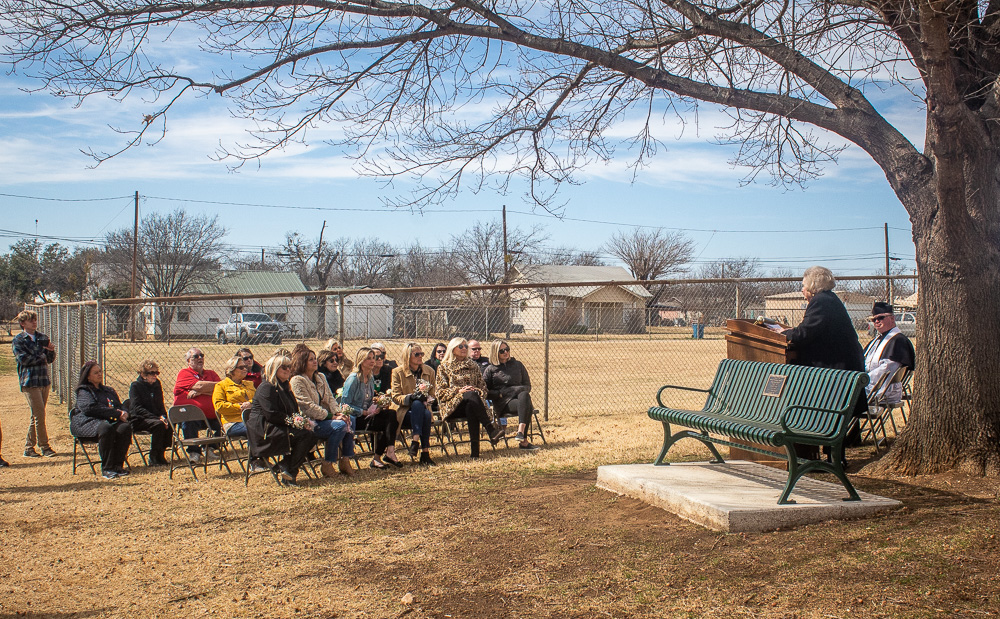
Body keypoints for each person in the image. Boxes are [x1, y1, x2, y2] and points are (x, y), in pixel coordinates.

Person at [782, 266, 866, 459]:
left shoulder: (821, 302)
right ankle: (830, 456)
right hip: (839, 366)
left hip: (838, 370)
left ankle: (834, 459)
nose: (802, 290)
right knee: (830, 413)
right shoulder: (830, 300)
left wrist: (784, 333)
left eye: (803, 286)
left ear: (812, 285)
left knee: (831, 413)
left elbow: (805, 333)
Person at [246, 355, 318, 487]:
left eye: (289, 367)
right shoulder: (266, 387)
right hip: (265, 430)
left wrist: (302, 422)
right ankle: (290, 472)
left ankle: (286, 467)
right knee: (304, 436)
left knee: (312, 433)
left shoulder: (286, 387)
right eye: (283, 367)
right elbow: (271, 414)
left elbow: (294, 411)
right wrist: (294, 422)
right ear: (273, 369)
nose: (288, 370)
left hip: (279, 426)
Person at [289, 346, 355, 477]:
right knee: (339, 425)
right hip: (310, 421)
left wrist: (338, 413)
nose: (315, 362)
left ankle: (345, 459)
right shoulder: (297, 380)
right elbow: (307, 406)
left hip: (326, 418)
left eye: (315, 359)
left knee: (350, 419)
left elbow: (330, 398)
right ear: (302, 362)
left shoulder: (320, 377)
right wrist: (331, 417)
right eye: (310, 360)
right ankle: (328, 463)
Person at [435, 337, 505, 459]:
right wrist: (459, 391)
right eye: (460, 346)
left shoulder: (473, 366)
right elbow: (440, 393)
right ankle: (491, 429)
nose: (464, 349)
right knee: (471, 397)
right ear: (453, 349)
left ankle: (475, 453)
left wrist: (475, 390)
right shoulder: (444, 367)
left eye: (465, 346)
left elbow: (483, 389)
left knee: (471, 403)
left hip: (473, 404)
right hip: (452, 406)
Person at [342, 347, 403, 469]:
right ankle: (381, 456)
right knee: (389, 422)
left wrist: (377, 405)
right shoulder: (353, 379)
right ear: (361, 361)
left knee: (391, 415)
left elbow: (368, 400)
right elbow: (344, 405)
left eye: (373, 358)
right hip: (356, 417)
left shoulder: (370, 377)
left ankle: (386, 453)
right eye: (368, 358)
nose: (372, 361)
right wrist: (363, 411)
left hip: (368, 414)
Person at [71, 361, 133, 479]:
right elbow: (90, 408)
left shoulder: (108, 390)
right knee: (106, 428)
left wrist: (124, 412)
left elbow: (119, 405)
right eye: (95, 373)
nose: (99, 374)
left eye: (100, 371)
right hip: (87, 422)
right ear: (88, 376)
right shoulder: (83, 391)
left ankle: (118, 466)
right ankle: (107, 468)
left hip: (107, 421)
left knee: (124, 427)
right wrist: (116, 413)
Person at [12, 310, 57, 459]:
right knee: (39, 415)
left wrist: (50, 351)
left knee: (36, 415)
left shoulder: (42, 337)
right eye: (30, 320)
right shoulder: (19, 340)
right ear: (22, 323)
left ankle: (29, 447)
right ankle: (45, 446)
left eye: (35, 320)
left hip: (43, 379)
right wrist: (43, 354)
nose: (34, 322)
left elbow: (49, 359)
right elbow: (24, 360)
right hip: (30, 381)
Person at [483, 340, 540, 451]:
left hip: (520, 399)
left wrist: (514, 390)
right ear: (495, 353)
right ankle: (523, 441)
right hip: (503, 403)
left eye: (507, 349)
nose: (506, 352)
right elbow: (485, 391)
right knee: (526, 403)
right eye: (502, 351)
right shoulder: (490, 369)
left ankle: (520, 432)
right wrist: (499, 394)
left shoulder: (518, 365)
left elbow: (528, 386)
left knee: (525, 396)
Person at [390, 342, 437, 465]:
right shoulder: (397, 372)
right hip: (404, 412)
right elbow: (395, 397)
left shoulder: (430, 371)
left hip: (423, 409)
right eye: (417, 354)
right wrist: (410, 398)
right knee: (417, 404)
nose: (420, 356)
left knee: (424, 411)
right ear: (407, 356)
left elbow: (433, 394)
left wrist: (426, 399)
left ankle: (416, 441)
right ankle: (424, 453)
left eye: (422, 353)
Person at [172, 347, 222, 464]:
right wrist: (205, 389)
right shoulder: (184, 373)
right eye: (196, 356)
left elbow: (221, 387)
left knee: (221, 422)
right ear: (188, 361)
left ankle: (210, 448)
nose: (200, 358)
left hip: (211, 415)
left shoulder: (211, 373)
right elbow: (200, 385)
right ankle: (194, 452)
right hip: (191, 416)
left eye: (201, 355)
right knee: (189, 421)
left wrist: (200, 391)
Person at [864, 302, 916, 404]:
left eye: (881, 318)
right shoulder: (876, 340)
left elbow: (887, 370)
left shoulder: (898, 341)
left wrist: (862, 381)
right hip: (870, 386)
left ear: (892, 319)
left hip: (882, 390)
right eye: (874, 319)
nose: (877, 321)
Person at [128, 359, 172, 466]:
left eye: (156, 373)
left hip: (155, 418)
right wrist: (156, 418)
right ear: (143, 374)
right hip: (139, 419)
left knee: (169, 423)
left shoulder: (157, 385)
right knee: (159, 425)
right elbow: (137, 408)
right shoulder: (135, 386)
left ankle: (161, 453)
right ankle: (153, 456)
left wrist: (163, 416)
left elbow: (160, 404)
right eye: (151, 373)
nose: (155, 375)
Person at [212, 355, 256, 439]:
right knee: (254, 428)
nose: (245, 369)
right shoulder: (221, 386)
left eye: (245, 367)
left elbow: (258, 400)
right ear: (231, 370)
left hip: (252, 419)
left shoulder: (249, 384)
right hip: (232, 423)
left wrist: (250, 403)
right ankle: (255, 452)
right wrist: (240, 407)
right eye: (241, 367)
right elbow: (219, 406)